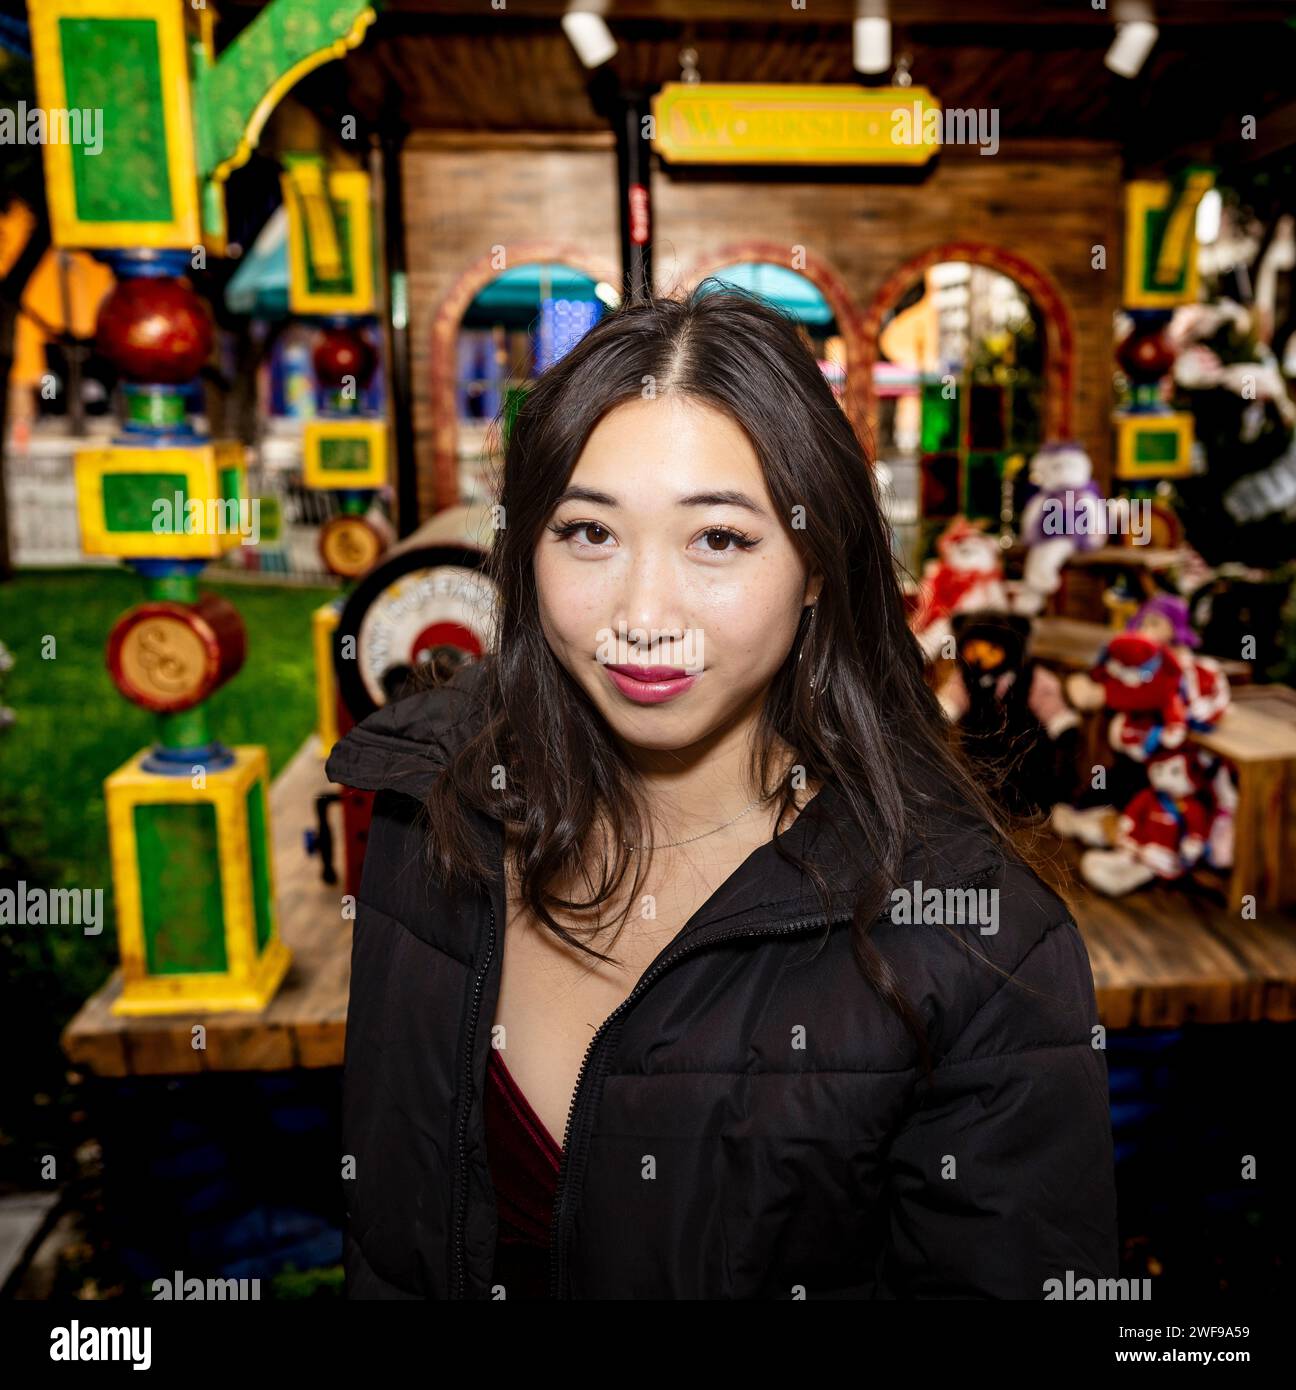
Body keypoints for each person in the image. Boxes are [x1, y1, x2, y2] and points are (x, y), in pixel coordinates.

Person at [325, 284, 1119, 1300]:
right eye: (589, 533)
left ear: (818, 564)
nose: (644, 613)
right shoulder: (431, 808)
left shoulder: (975, 947)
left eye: (721, 540)